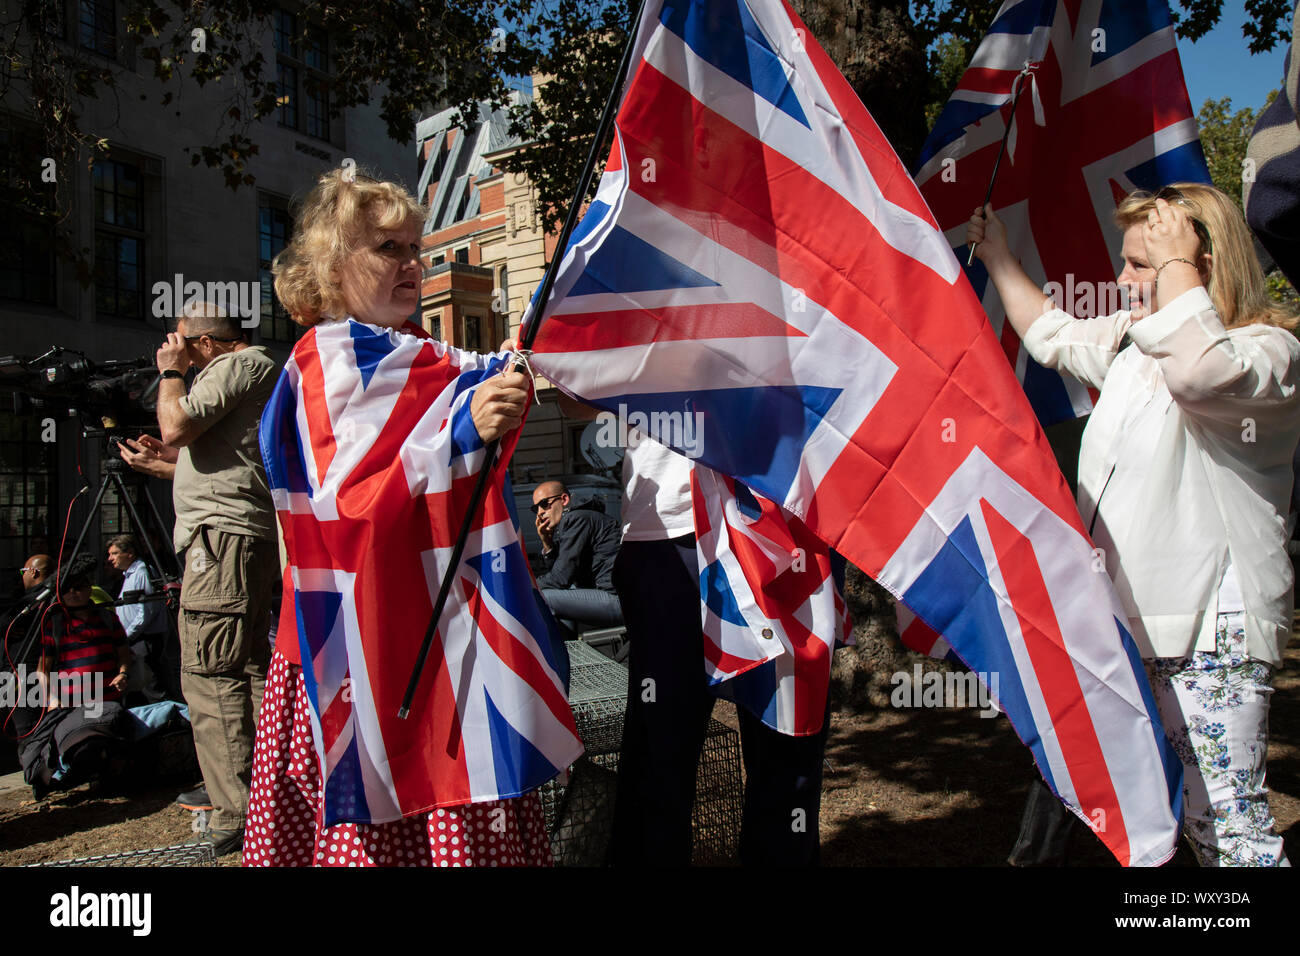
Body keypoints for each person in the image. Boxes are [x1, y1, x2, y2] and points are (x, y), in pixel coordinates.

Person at [242, 168, 567, 868]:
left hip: (444, 645)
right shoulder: (320, 363)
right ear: (334, 265)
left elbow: (491, 382)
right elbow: (340, 519)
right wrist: (460, 436)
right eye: (389, 248)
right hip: (355, 653)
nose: (413, 264)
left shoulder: (429, 359)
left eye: (416, 247)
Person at [968, 183, 1299, 867]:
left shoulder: (1267, 352)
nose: (1122, 281)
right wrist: (999, 258)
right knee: (1154, 825)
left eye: (1142, 264)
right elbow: (1053, 336)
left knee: (1231, 837)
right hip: (1131, 626)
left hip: (1212, 629)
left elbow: (1204, 374)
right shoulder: (1137, 347)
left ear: (1201, 263)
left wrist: (1178, 265)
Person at [148, 299, 279, 856]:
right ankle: (263, 799)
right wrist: (165, 465)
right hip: (238, 538)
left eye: (180, 341)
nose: (173, 349)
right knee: (244, 666)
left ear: (205, 342)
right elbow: (225, 459)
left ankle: (237, 810)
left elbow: (176, 424)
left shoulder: (235, 365)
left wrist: (171, 373)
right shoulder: (257, 373)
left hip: (219, 542)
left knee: (207, 671)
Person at [15, 557, 133, 800]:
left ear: (90, 588)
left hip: (103, 700)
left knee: (96, 739)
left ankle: (103, 779)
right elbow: (42, 669)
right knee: (62, 744)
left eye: (79, 586)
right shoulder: (54, 624)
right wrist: (51, 699)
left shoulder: (107, 619)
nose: (74, 593)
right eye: (67, 588)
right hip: (68, 704)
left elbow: (123, 653)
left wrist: (123, 673)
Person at [532, 480, 623, 638]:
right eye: (536, 508)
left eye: (544, 504)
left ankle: (562, 656)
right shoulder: (577, 518)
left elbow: (560, 578)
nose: (540, 512)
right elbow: (562, 575)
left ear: (564, 499)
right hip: (614, 598)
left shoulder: (577, 518)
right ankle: (568, 651)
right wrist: (547, 543)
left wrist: (526, 587)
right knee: (557, 592)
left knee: (541, 598)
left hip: (618, 601)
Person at [106, 534, 169, 702]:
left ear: (130, 553)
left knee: (151, 685)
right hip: (136, 639)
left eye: (114, 553)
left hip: (144, 639)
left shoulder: (142, 572)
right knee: (139, 686)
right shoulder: (130, 575)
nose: (110, 559)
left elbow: (146, 611)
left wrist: (126, 636)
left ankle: (167, 722)